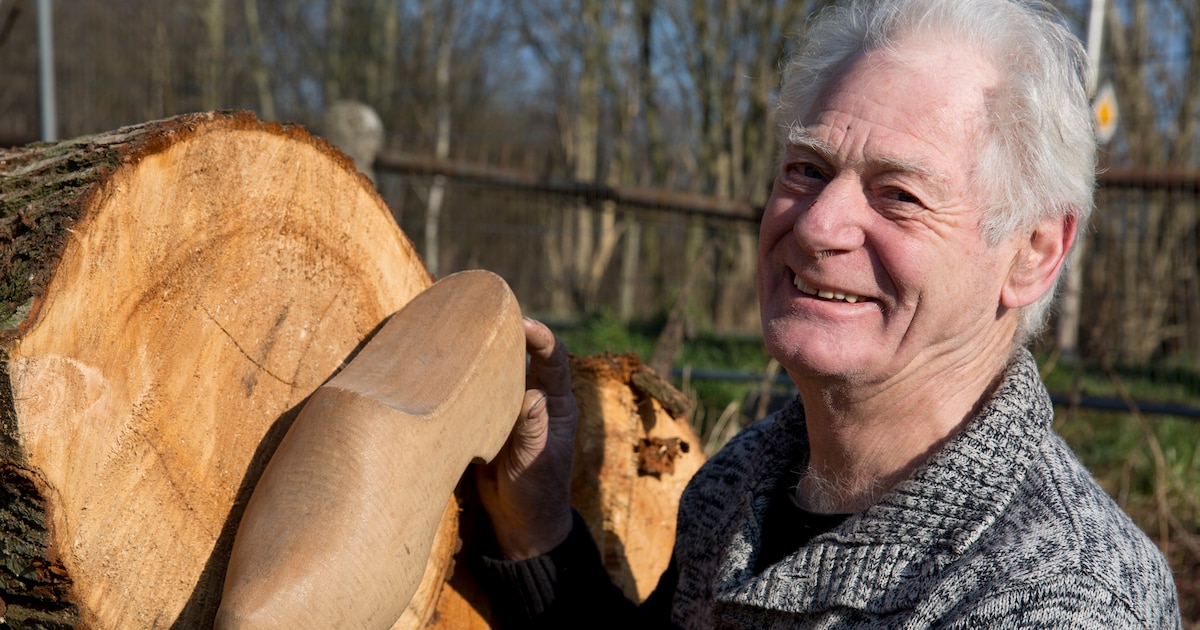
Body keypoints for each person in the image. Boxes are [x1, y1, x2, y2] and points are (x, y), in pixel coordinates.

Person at [474, 0, 1183, 627]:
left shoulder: (1055, 597)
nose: (818, 225)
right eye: (807, 169)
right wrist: (537, 517)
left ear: (1032, 252)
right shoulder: (740, 484)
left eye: (899, 193)